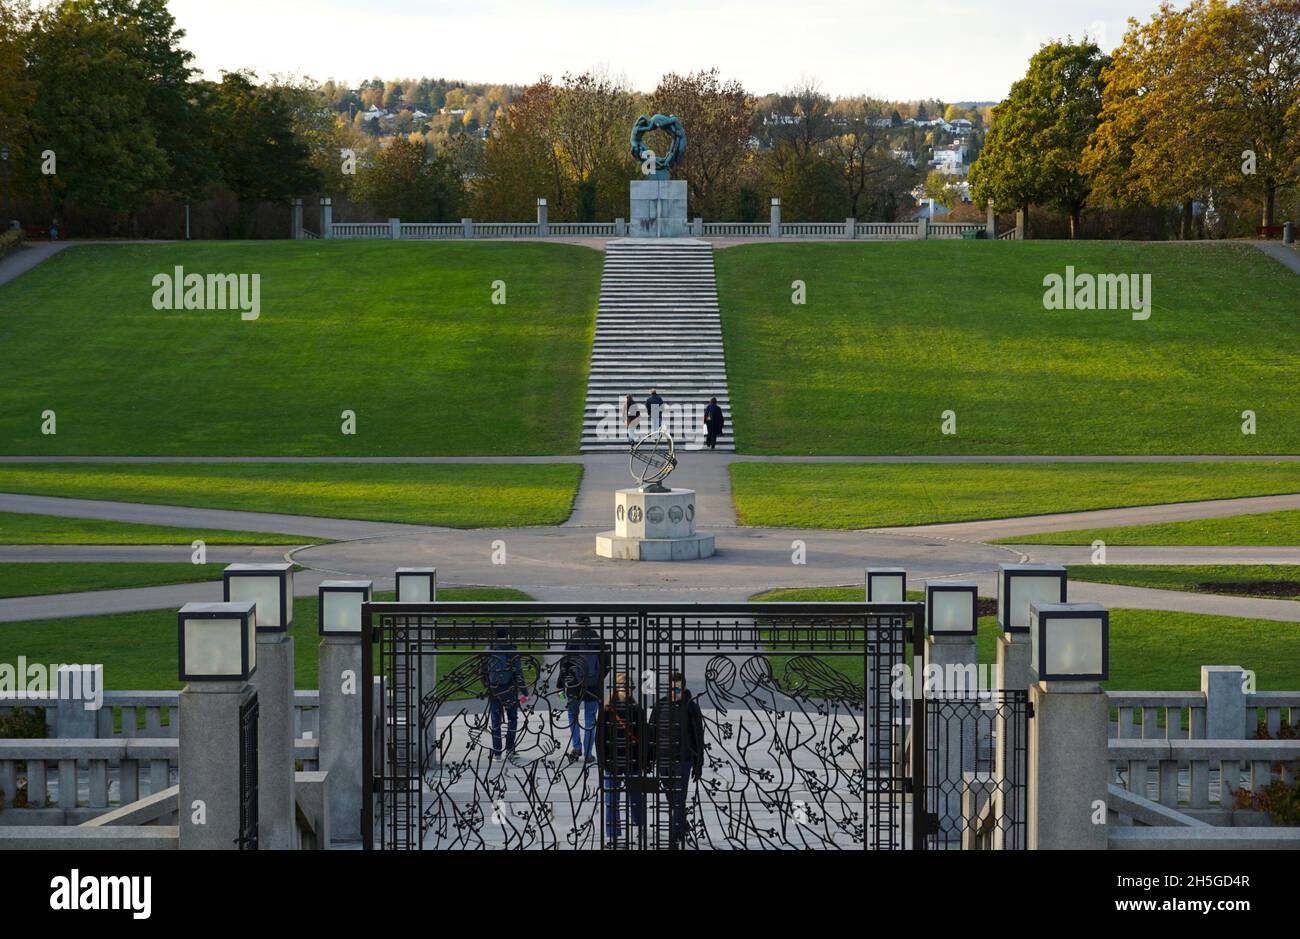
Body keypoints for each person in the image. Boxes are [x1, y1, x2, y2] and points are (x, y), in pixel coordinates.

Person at [648, 671, 704, 848]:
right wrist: (649, 759)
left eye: (677, 689)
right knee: (672, 798)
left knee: (679, 799)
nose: (674, 692)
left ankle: (674, 838)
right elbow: (652, 733)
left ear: (684, 688)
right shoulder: (661, 705)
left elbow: (698, 735)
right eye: (671, 689)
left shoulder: (691, 707)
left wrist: (698, 762)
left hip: (683, 759)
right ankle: (682, 824)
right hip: (663, 759)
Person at [596, 672, 646, 846]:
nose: (627, 691)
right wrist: (603, 762)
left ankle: (638, 828)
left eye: (629, 688)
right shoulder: (607, 709)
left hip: (632, 762)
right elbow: (599, 738)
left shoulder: (637, 709)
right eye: (623, 687)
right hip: (613, 761)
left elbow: (644, 737)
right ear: (617, 689)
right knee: (611, 800)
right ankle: (612, 833)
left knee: (636, 798)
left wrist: (643, 762)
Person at [557, 616, 606, 764]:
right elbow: (606, 663)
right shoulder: (598, 640)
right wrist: (598, 678)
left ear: (577, 624)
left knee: (573, 715)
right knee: (590, 719)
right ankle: (588, 753)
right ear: (590, 624)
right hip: (593, 686)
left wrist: (561, 683)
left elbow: (564, 662)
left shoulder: (573, 640)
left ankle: (576, 747)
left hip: (574, 685)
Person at [481, 627, 526, 765]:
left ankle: (497, 752)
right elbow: (518, 672)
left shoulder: (489, 650)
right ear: (507, 635)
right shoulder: (511, 650)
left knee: (495, 720)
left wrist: (488, 686)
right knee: (512, 718)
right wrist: (525, 692)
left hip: (494, 690)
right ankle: (510, 749)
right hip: (509, 689)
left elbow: (482, 672)